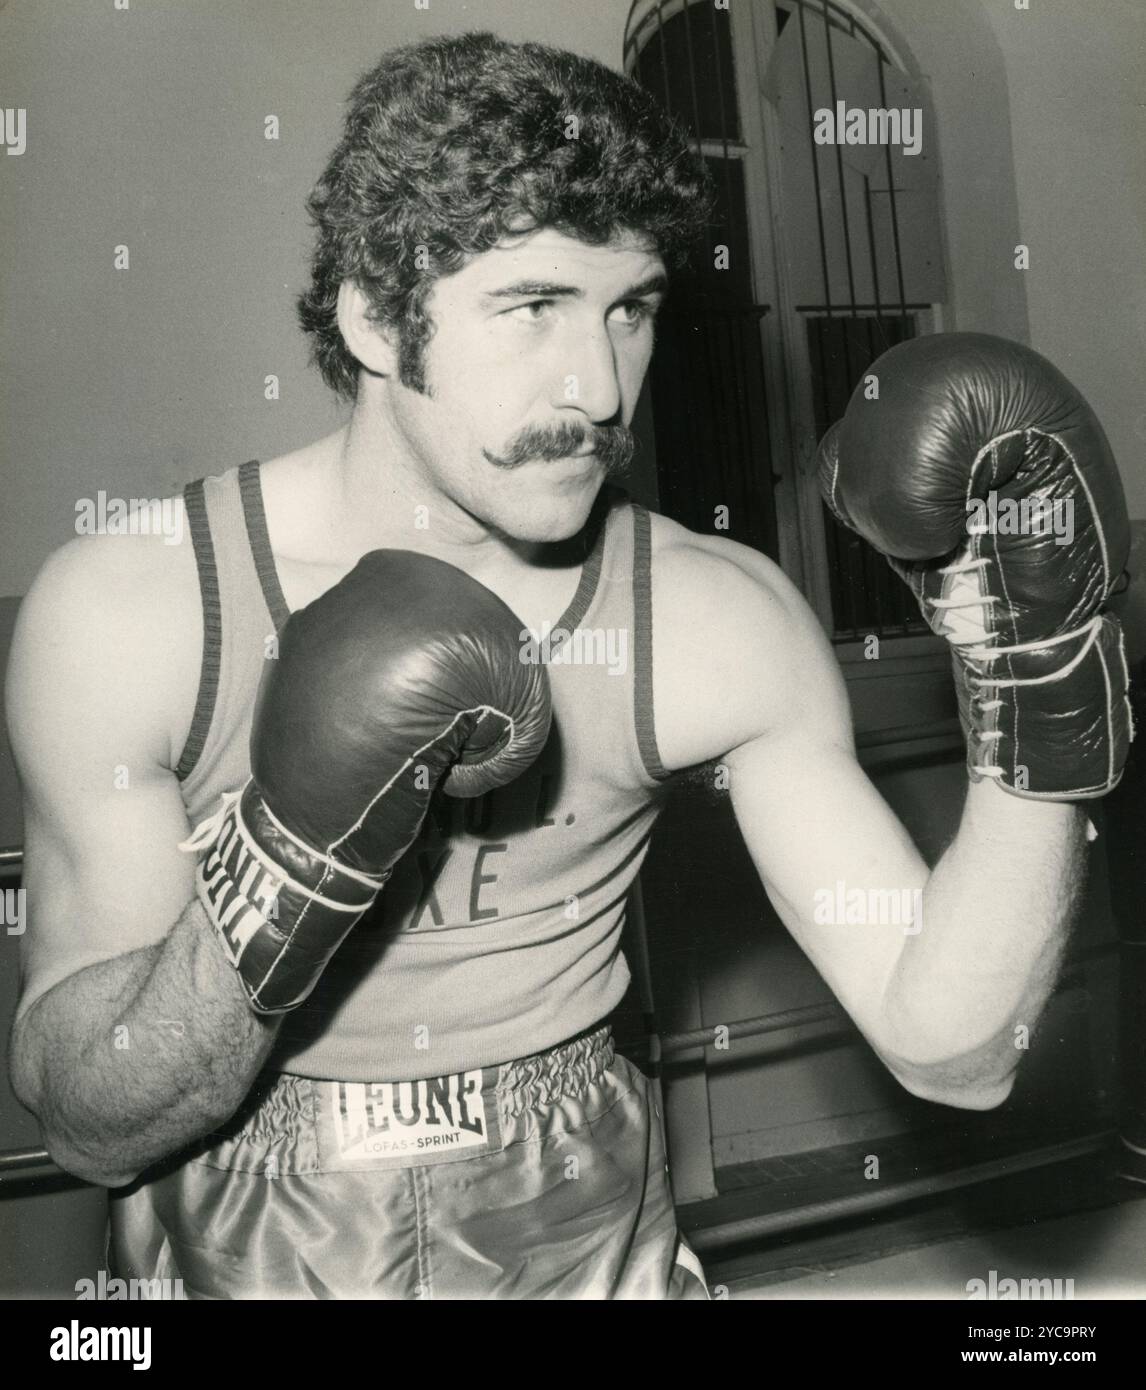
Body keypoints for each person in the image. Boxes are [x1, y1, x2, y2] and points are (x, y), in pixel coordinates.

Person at [5, 32, 1131, 1300]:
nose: (598, 385)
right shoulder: (136, 609)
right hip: (234, 1231)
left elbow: (954, 1049)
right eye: (533, 305)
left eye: (631, 308)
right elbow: (89, 1128)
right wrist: (277, 870)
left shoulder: (713, 619)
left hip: (585, 1221)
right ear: (375, 317)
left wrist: (1040, 680)